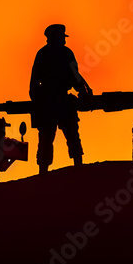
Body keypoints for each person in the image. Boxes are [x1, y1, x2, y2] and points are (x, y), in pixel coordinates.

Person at [29, 24, 93, 174]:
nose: (63, 40)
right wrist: (82, 91)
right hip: (51, 102)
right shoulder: (55, 54)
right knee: (49, 138)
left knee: (63, 136)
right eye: (61, 37)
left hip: (53, 102)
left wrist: (82, 91)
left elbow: (75, 76)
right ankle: (49, 171)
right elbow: (34, 82)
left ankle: (50, 171)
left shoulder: (56, 53)